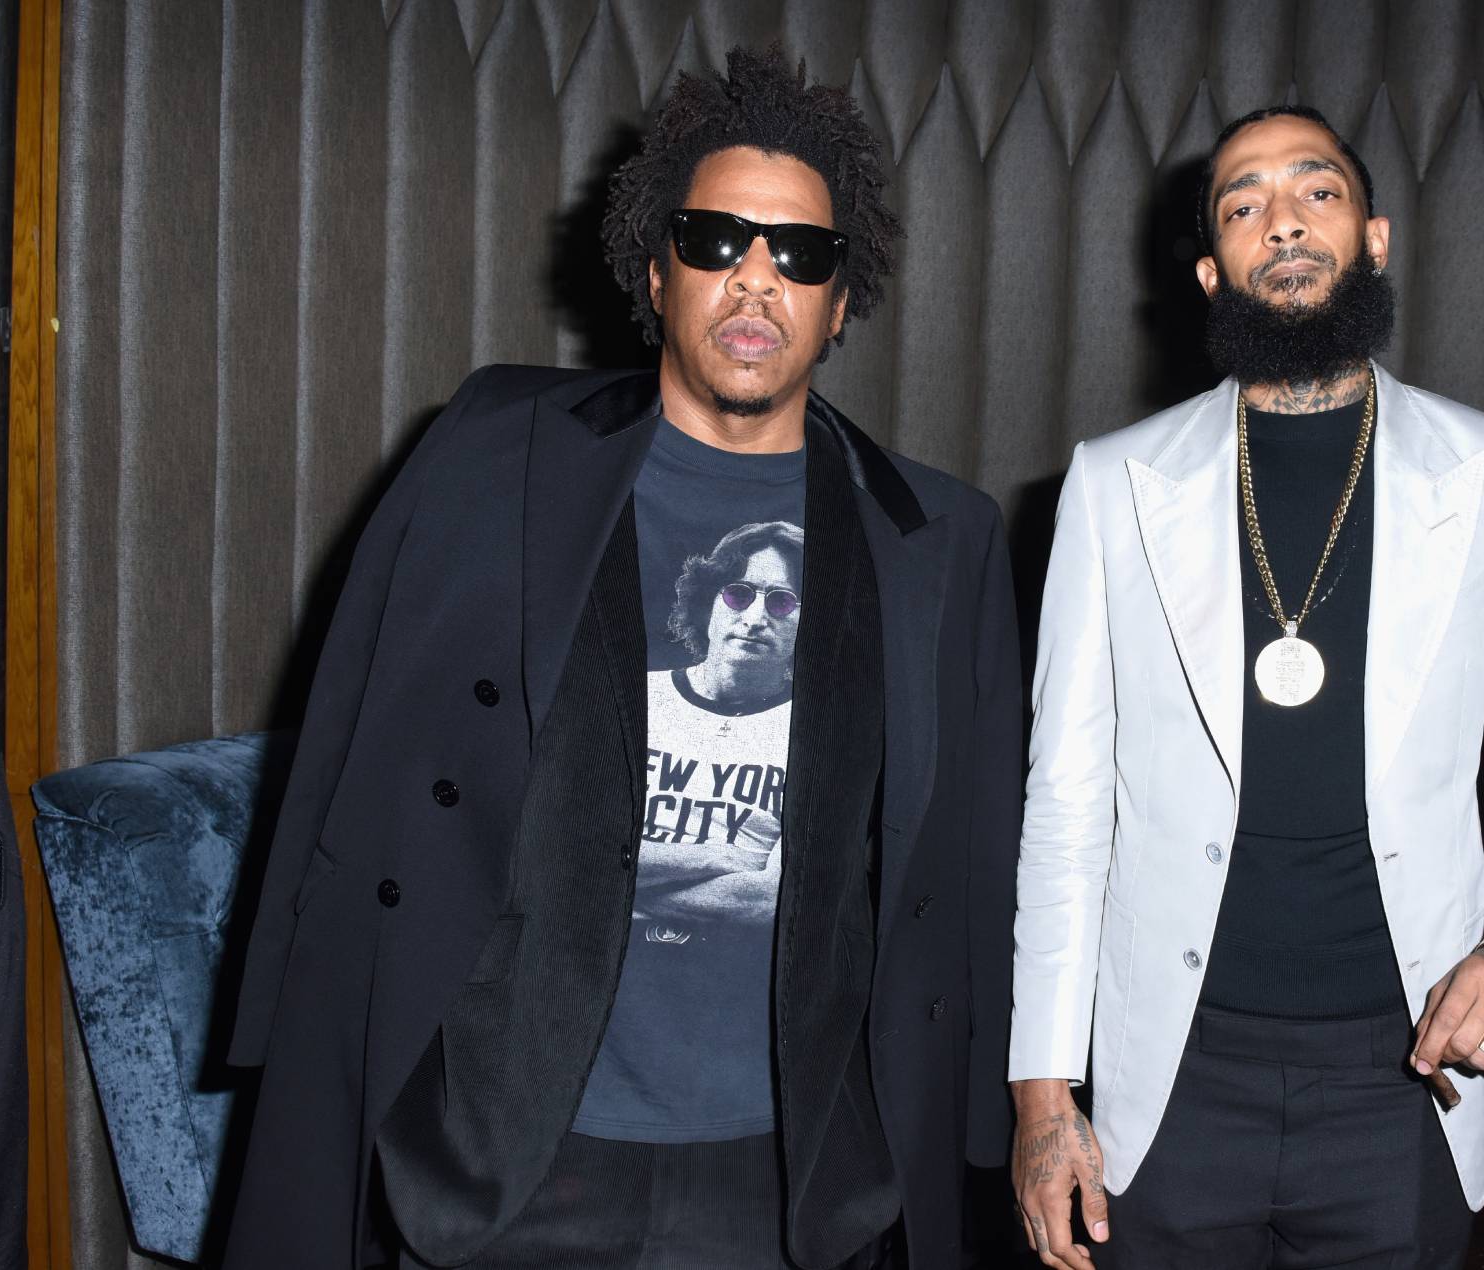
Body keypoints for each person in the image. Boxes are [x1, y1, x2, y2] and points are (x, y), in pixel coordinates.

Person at [222, 46, 1022, 1270]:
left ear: (840, 301)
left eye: (799, 254)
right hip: (504, 1150)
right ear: (655, 268)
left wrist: (1000, 1126)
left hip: (791, 1177)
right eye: (716, 240)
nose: (754, 278)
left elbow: (970, 866)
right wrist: (291, 1028)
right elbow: (349, 740)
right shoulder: (494, 452)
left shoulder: (939, 539)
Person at [1007, 104, 1484, 1269]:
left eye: (1315, 190)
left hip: (1407, 1080)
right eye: (1243, 205)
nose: (1280, 220)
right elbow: (1065, 804)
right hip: (1169, 1079)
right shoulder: (1110, 483)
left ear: (1372, 238)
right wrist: (1042, 1094)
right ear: (1210, 271)